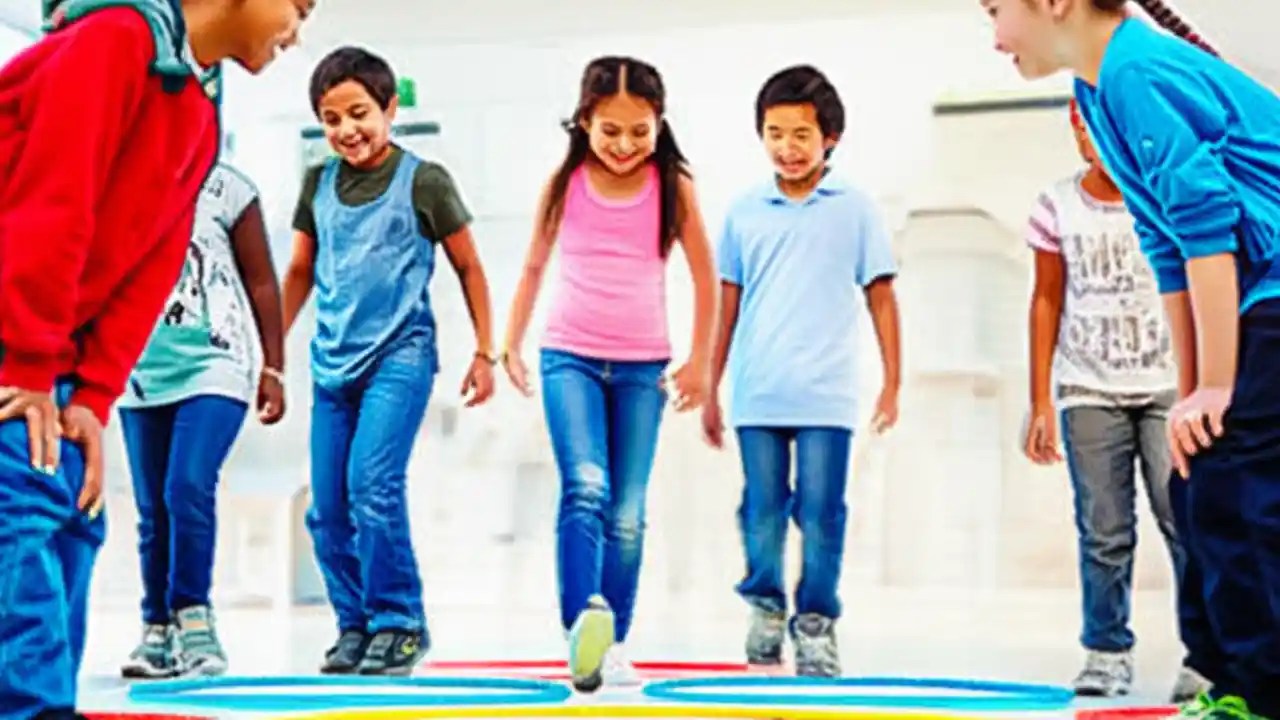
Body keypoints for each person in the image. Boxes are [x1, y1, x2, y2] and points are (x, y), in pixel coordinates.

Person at [0, 0, 310, 715]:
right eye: (297, 5)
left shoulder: (197, 120)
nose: (298, 30)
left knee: (75, 520)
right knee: (18, 524)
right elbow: (51, 202)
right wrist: (26, 366)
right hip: (18, 347)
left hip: (54, 365)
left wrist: (91, 398)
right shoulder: (114, 39)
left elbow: (151, 267)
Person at [984, 0, 1280, 717]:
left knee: (1238, 489)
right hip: (1249, 293)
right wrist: (1192, 398)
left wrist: (1215, 386)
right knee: (1195, 480)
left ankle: (1262, 691)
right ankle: (1228, 682)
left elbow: (1208, 231)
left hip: (1268, 288)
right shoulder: (1097, 88)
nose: (994, 36)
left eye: (995, 10)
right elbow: (1169, 250)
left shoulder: (1138, 73)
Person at [500, 56, 716, 693]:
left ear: (658, 124)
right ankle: (580, 630)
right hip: (569, 355)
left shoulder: (673, 185)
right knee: (586, 487)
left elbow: (707, 277)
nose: (625, 145)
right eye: (610, 130)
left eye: (639, 131)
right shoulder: (563, 184)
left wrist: (701, 361)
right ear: (585, 121)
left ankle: (611, 643)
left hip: (642, 363)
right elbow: (534, 268)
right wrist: (507, 346)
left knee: (627, 512)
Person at [282, 45, 497, 677]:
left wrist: (487, 351)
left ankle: (400, 620)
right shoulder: (317, 182)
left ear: (389, 108)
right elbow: (298, 270)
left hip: (400, 356)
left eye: (358, 113)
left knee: (371, 488)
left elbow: (469, 266)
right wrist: (269, 355)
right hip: (331, 365)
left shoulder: (424, 180)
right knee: (326, 509)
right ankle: (355, 624)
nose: (346, 130)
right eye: (330, 118)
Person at [701, 65, 900, 678]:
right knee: (761, 508)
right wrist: (709, 387)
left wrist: (893, 381)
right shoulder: (743, 212)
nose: (787, 148)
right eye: (774, 133)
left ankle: (815, 622)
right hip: (759, 391)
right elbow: (726, 307)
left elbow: (882, 296)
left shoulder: (856, 209)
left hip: (827, 394)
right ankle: (764, 605)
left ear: (830, 138)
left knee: (821, 511)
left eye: (801, 135)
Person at [1022, 99, 1211, 702]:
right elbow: (1046, 301)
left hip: (1164, 389)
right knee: (1104, 528)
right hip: (1087, 389)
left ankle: (1207, 654)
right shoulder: (1057, 206)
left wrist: (1205, 383)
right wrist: (1041, 402)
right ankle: (1106, 651)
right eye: (1085, 130)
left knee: (1185, 520)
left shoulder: (1161, 201)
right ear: (1075, 132)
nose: (1097, 142)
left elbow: (1195, 286)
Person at [117, 162, 287, 680]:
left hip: (216, 363)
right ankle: (157, 629)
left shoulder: (228, 187)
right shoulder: (107, 182)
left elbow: (261, 282)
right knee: (153, 509)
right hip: (139, 370)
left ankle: (194, 618)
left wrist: (274, 366)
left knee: (186, 486)